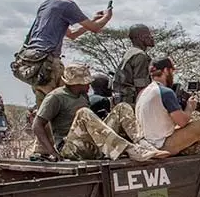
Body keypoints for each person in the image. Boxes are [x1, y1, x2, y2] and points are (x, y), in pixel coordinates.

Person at [32, 63, 167, 162]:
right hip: (70, 147)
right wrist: (52, 152)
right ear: (75, 84)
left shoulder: (83, 96)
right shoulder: (55, 97)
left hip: (89, 143)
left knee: (122, 107)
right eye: (85, 83)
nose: (89, 86)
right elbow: (37, 125)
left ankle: (142, 143)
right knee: (84, 112)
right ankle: (130, 150)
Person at [22, 0, 113, 109]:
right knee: (71, 103)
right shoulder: (66, 5)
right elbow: (95, 28)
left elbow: (72, 34)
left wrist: (93, 20)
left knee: (45, 108)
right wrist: (107, 17)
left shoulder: (45, 5)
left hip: (34, 63)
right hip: (49, 62)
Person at [134, 56, 200, 155]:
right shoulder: (166, 92)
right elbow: (182, 122)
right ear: (166, 70)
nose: (173, 75)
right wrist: (190, 107)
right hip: (161, 145)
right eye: (171, 71)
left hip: (145, 144)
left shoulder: (142, 93)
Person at [113, 24, 154, 105]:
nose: (151, 37)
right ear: (141, 37)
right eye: (148, 35)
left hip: (123, 100)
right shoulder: (141, 55)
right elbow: (140, 85)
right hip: (132, 102)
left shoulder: (130, 52)